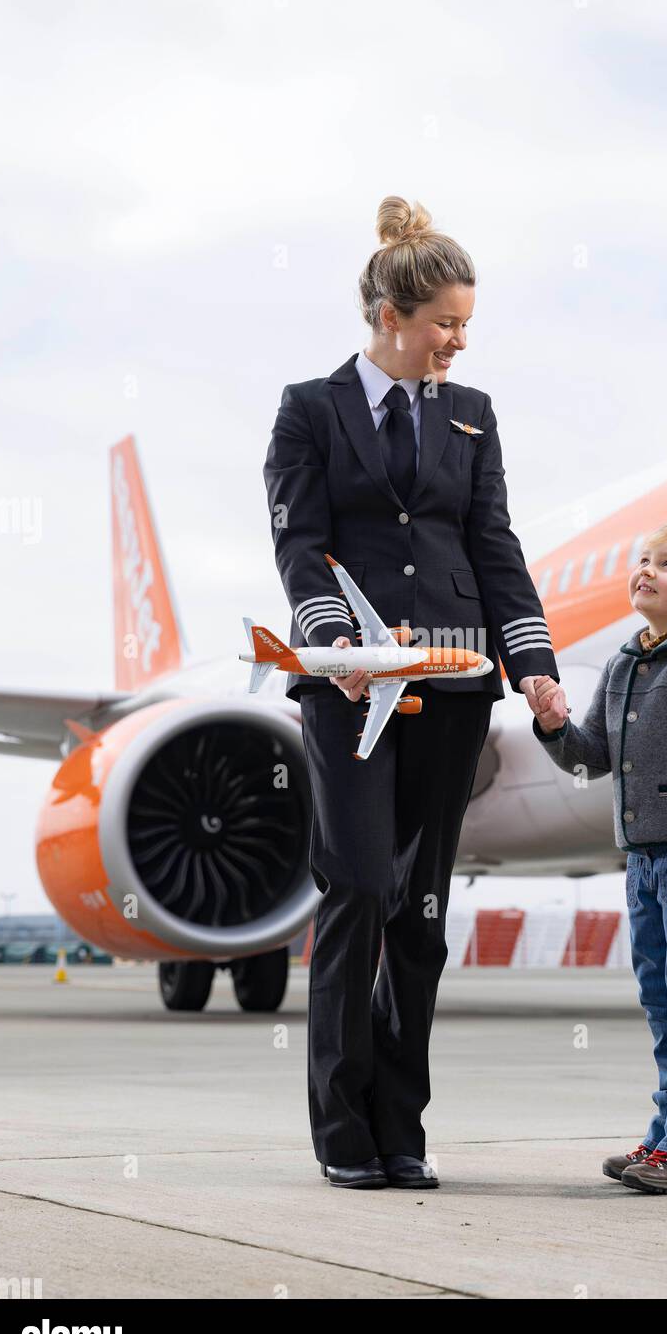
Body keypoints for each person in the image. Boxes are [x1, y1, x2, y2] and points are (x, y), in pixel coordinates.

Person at [263, 195, 559, 1189]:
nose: (457, 341)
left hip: (453, 685)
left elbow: (494, 549)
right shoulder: (309, 409)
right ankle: (341, 1127)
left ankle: (401, 1129)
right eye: (444, 323)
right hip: (350, 689)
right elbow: (300, 547)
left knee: (420, 911)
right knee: (354, 884)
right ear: (392, 314)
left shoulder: (472, 418)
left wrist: (535, 666)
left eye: (465, 324)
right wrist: (336, 640)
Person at [531, 517, 667, 1193]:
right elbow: (591, 757)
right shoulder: (625, 661)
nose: (647, 571)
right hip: (644, 861)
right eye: (642, 560)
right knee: (661, 999)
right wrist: (552, 726)